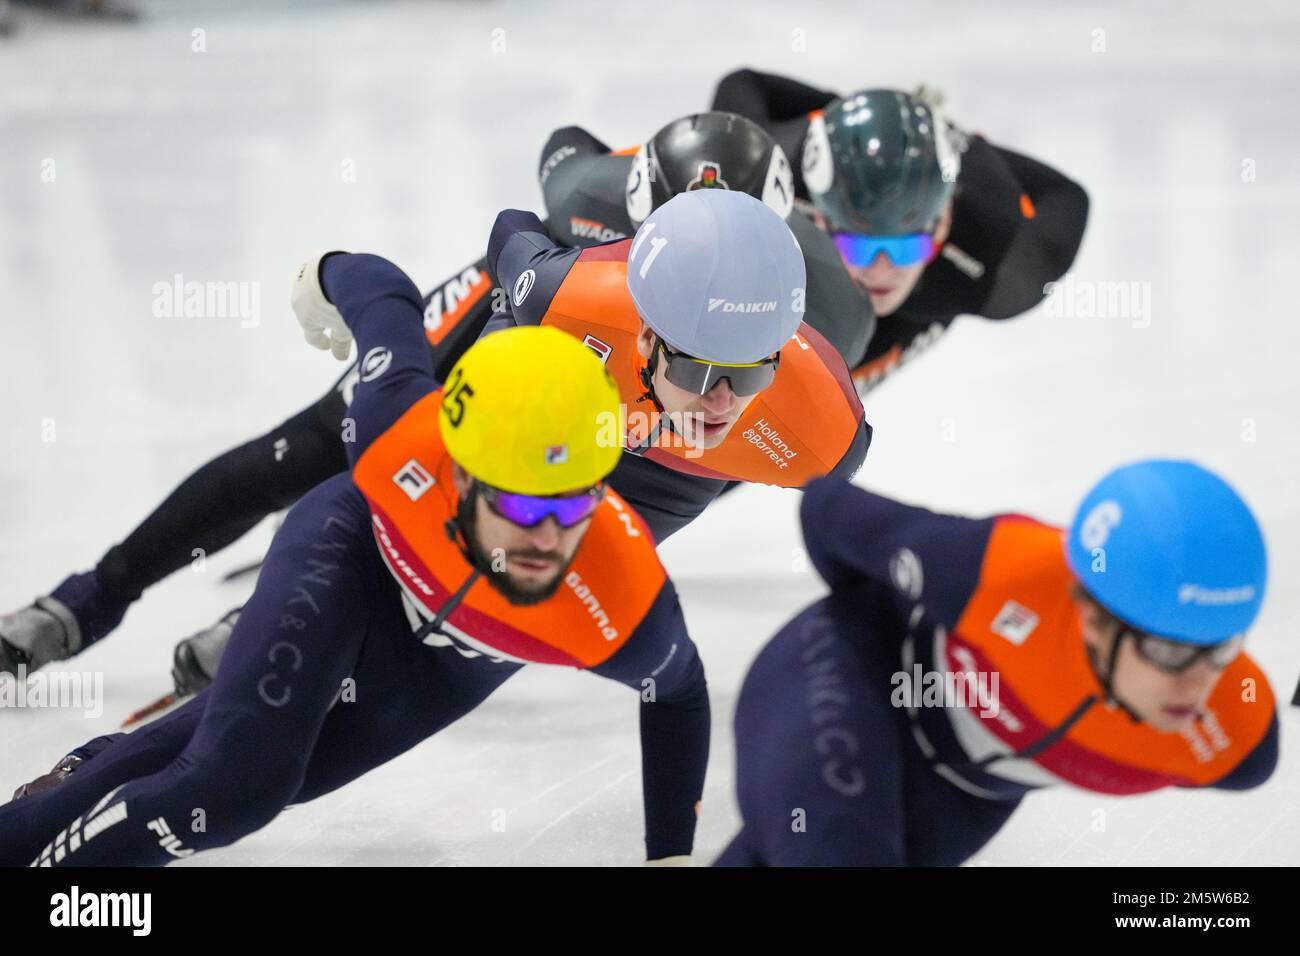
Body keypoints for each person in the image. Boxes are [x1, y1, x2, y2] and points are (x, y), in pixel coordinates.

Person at [0, 111, 865, 695]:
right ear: (631, 225)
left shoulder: (817, 327)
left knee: (519, 560)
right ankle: (88, 598)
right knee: (310, 446)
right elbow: (537, 198)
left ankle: (291, 623)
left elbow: (817, 430)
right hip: (540, 332)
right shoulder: (581, 225)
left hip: (656, 431)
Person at [1, 260, 710, 867]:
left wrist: (671, 852)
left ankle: (74, 785)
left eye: (572, 508)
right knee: (236, 786)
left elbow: (678, 693)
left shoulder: (621, 591)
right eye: (523, 509)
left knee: (256, 756)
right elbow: (381, 292)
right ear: (457, 475)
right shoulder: (400, 429)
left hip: (441, 665)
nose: (547, 538)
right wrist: (319, 276)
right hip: (352, 557)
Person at [718, 460, 1277, 865]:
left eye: (1223, 648)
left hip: (965, 797)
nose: (1201, 683)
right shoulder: (1000, 573)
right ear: (1094, 619)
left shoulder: (1235, 738)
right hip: (857, 671)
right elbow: (827, 509)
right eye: (1171, 651)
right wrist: (856, 617)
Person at [486, 187, 870, 542]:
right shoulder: (569, 298)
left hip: (672, 476)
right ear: (648, 337)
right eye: (696, 372)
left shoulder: (827, 439)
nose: (721, 404)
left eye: (750, 376)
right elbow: (512, 226)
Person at [711, 68, 1090, 394]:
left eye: (906, 248)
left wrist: (964, 145)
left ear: (941, 226)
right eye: (858, 246)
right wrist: (852, 120)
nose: (881, 270)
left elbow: (1066, 193)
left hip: (928, 293)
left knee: (809, 406)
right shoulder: (774, 172)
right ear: (820, 220)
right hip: (828, 258)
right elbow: (744, 84)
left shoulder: (1004, 270)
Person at [539, 110, 875, 367]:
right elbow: (564, 145)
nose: (707, 276)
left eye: (733, 261)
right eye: (685, 254)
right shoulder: (581, 196)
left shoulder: (836, 317)